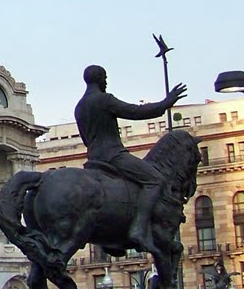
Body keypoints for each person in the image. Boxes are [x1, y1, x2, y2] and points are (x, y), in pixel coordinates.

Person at [75, 63, 188, 245]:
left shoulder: (79, 107)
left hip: (94, 159)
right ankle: (139, 228)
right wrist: (166, 103)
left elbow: (86, 137)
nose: (106, 82)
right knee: (155, 180)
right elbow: (136, 111)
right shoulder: (104, 99)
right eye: (105, 78)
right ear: (100, 79)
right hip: (114, 156)